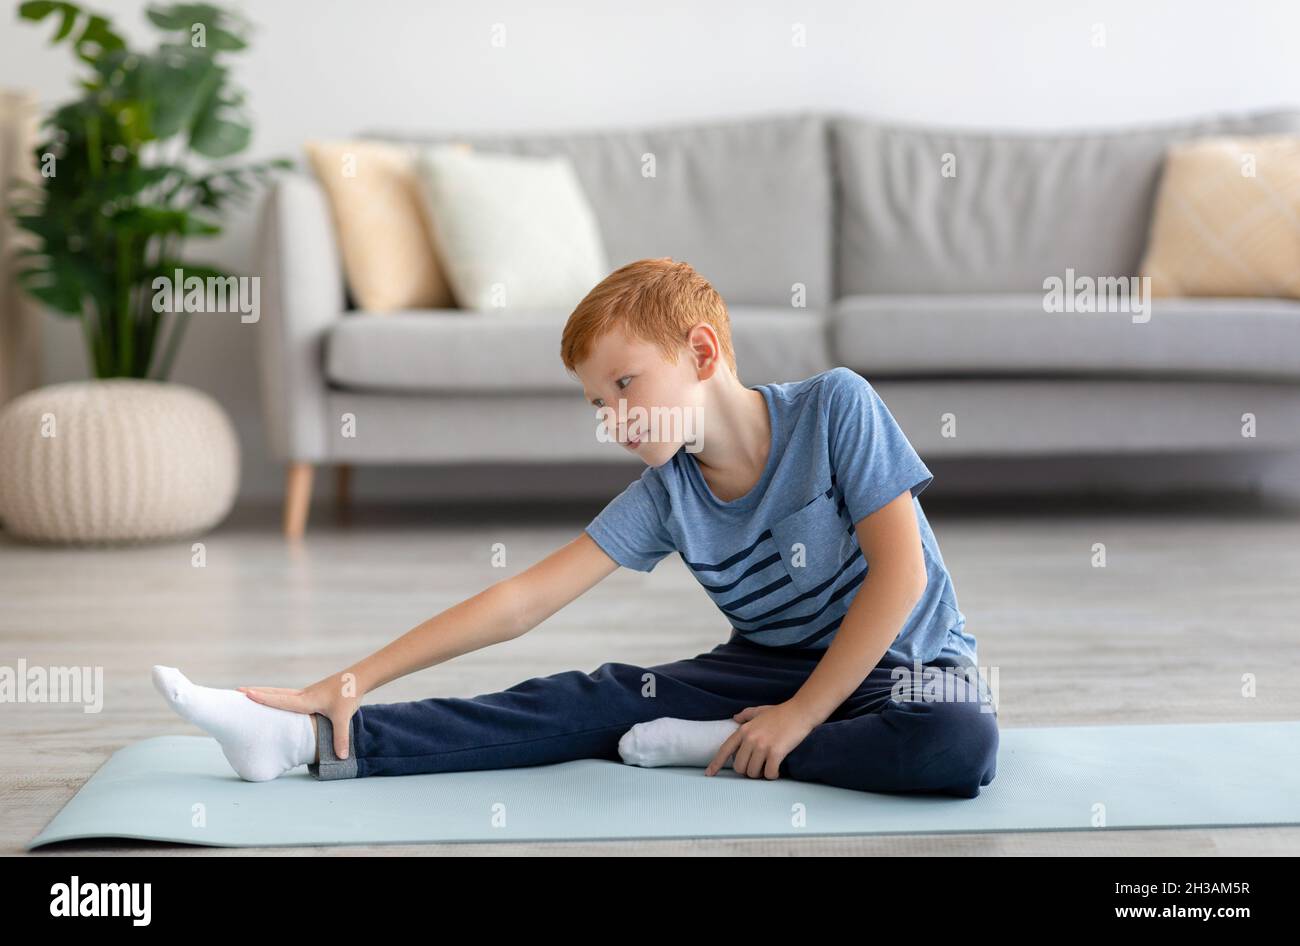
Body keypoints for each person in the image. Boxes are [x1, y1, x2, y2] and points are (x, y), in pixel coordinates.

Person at [153, 257, 998, 797]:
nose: (614, 417)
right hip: (767, 669)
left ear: (702, 355)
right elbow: (523, 600)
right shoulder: (668, 490)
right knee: (589, 698)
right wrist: (349, 681)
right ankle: (301, 745)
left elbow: (901, 578)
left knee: (960, 739)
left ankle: (722, 744)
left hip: (907, 667)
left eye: (627, 385)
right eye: (598, 403)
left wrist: (801, 718)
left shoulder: (836, 407)